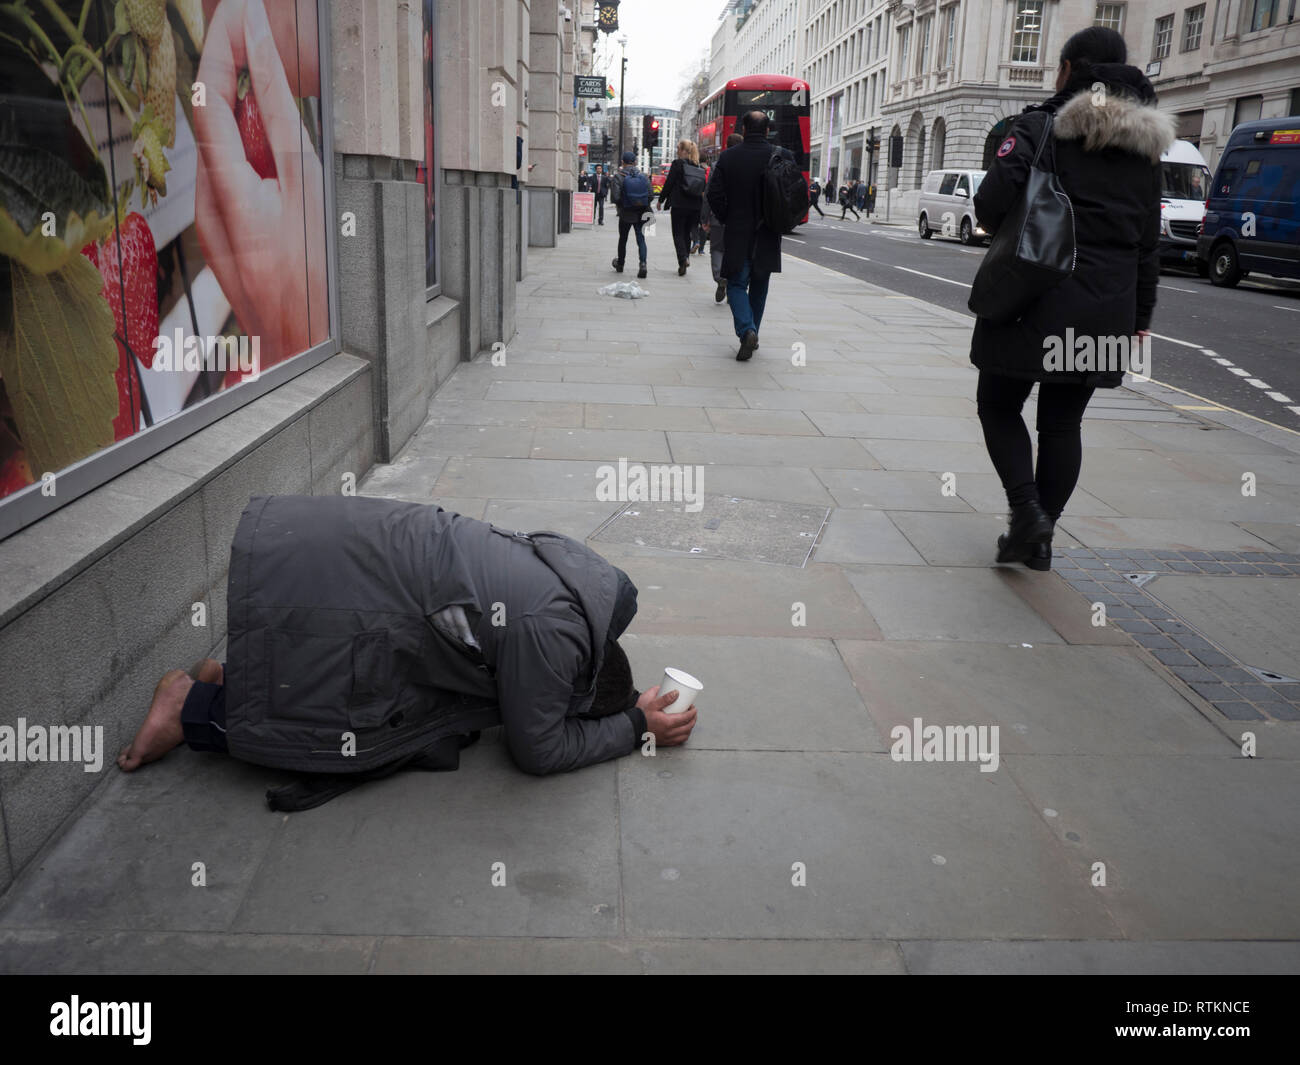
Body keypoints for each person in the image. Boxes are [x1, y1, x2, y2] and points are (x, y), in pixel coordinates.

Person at [118, 496, 698, 802]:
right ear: (572, 687)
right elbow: (539, 749)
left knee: (315, 650)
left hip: (374, 541)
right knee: (335, 723)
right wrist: (634, 728)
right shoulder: (549, 637)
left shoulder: (580, 592)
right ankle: (189, 708)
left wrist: (630, 708)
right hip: (383, 587)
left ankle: (232, 678)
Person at [969, 26, 1172, 571]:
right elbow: (1148, 245)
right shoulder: (1146, 151)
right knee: (1063, 424)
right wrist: (1139, 319)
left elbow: (989, 207)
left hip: (1031, 293)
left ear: (1067, 71)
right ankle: (1041, 535)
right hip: (1109, 306)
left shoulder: (1038, 128)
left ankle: (1025, 510)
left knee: (998, 405)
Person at [706, 111, 785, 361]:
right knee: (760, 287)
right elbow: (794, 195)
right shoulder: (781, 156)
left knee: (737, 285)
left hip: (738, 231)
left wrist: (728, 216)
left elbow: (714, 194)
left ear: (743, 127)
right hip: (769, 232)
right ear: (767, 130)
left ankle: (747, 330)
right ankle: (753, 333)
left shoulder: (728, 158)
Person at [699, 132, 744, 303]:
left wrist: (705, 218)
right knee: (736, 251)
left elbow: (709, 194)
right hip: (740, 219)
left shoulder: (718, 165)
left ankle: (720, 278)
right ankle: (735, 284)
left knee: (717, 249)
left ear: (726, 145)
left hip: (719, 217)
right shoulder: (748, 165)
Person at [657, 139, 707, 276]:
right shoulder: (699, 168)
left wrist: (661, 200)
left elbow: (669, 183)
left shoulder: (678, 164)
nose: (677, 151)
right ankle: (685, 260)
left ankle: (683, 258)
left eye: (679, 148)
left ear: (684, 151)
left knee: (678, 233)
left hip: (679, 204)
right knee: (687, 233)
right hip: (695, 205)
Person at [610, 150, 651, 279]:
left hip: (625, 213)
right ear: (635, 162)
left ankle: (620, 264)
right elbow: (650, 195)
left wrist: (625, 203)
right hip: (641, 213)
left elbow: (615, 197)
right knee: (641, 239)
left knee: (623, 239)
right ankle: (643, 264)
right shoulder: (643, 176)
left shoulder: (618, 176)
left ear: (622, 162)